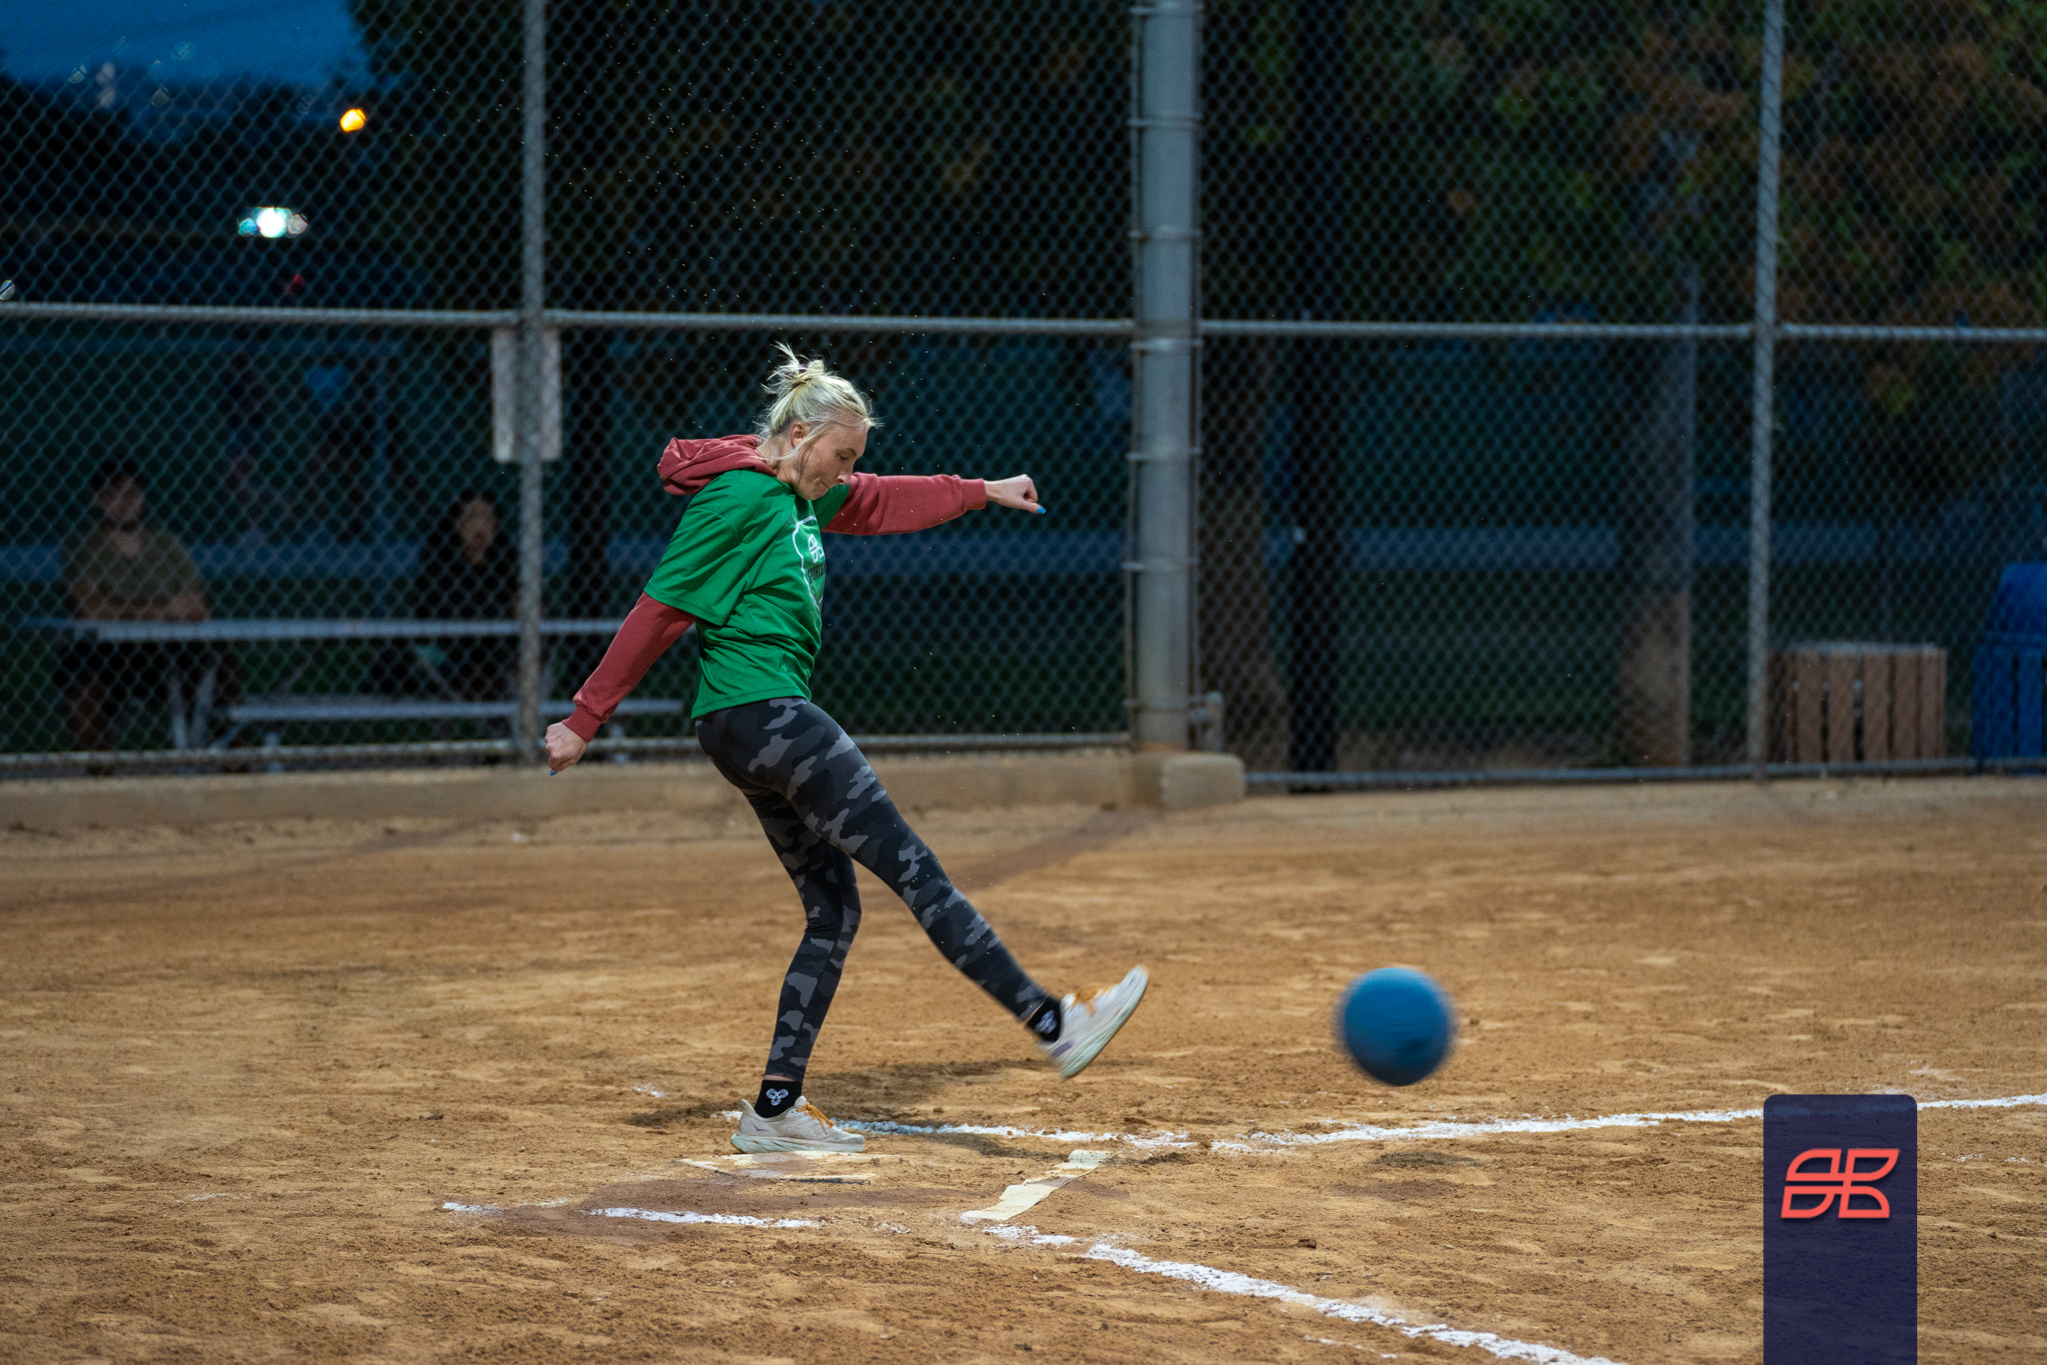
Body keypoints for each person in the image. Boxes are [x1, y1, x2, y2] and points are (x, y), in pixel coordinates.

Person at [544, 346, 1148, 1155]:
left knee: (833, 911)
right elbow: (657, 610)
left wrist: (982, 492)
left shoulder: (796, 495)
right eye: (839, 453)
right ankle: (1054, 1023)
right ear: (797, 434)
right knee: (915, 870)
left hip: (743, 727)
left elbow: (880, 500)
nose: (845, 471)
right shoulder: (742, 497)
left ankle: (773, 1109)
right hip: (769, 716)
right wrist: (585, 717)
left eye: (851, 458)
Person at [57, 461, 236, 750]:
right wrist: (161, 612)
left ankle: (237, 767)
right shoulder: (84, 547)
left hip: (168, 651)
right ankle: (98, 781)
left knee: (219, 666)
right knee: (83, 686)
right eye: (116, 494)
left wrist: (128, 611)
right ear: (98, 500)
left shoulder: (167, 544)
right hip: (107, 654)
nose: (127, 503)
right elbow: (92, 610)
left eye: (133, 494)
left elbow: (198, 609)